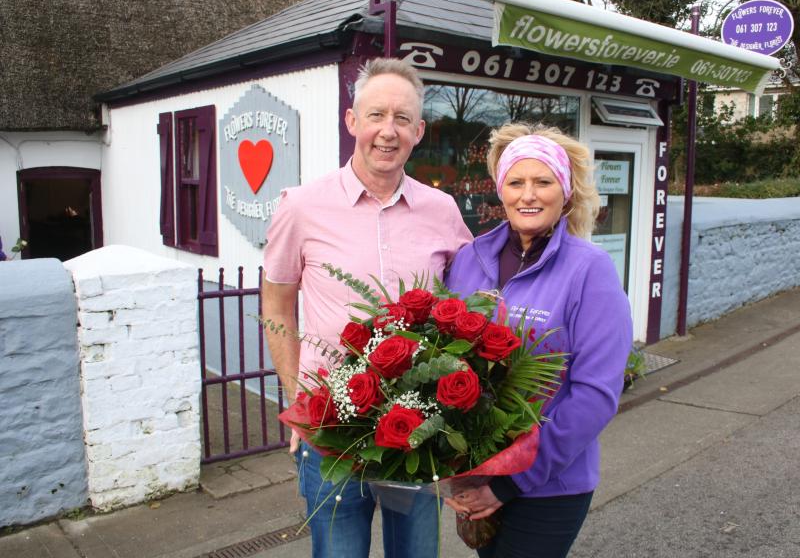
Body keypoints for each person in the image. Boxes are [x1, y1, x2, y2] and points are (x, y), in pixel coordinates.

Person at [262, 57, 473, 558]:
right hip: (330, 429)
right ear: (352, 121)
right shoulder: (301, 206)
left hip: (418, 430)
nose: (388, 131)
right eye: (376, 115)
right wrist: (294, 402)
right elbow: (276, 303)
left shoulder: (441, 211)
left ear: (419, 131)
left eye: (402, 119)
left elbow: (468, 304)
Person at [443, 123, 633, 558]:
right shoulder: (469, 261)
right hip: (477, 475)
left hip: (550, 485)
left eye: (543, 182)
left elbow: (595, 395)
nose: (528, 195)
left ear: (564, 192)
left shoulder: (590, 271)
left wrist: (511, 482)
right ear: (501, 190)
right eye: (516, 182)